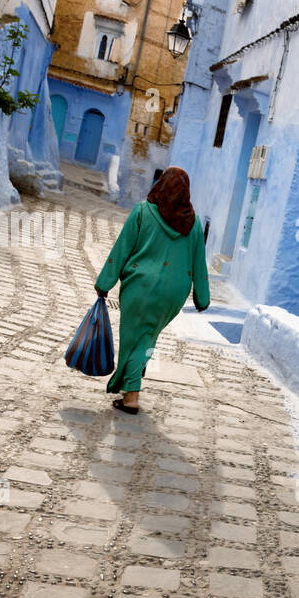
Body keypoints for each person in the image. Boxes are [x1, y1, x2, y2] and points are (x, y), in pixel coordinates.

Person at [94, 167, 209, 414]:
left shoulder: (142, 211)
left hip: (140, 287)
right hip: (173, 295)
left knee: (132, 339)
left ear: (160, 185)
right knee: (148, 338)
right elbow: (199, 264)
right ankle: (134, 379)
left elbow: (122, 249)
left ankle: (131, 395)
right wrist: (203, 298)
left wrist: (104, 283)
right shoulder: (194, 223)